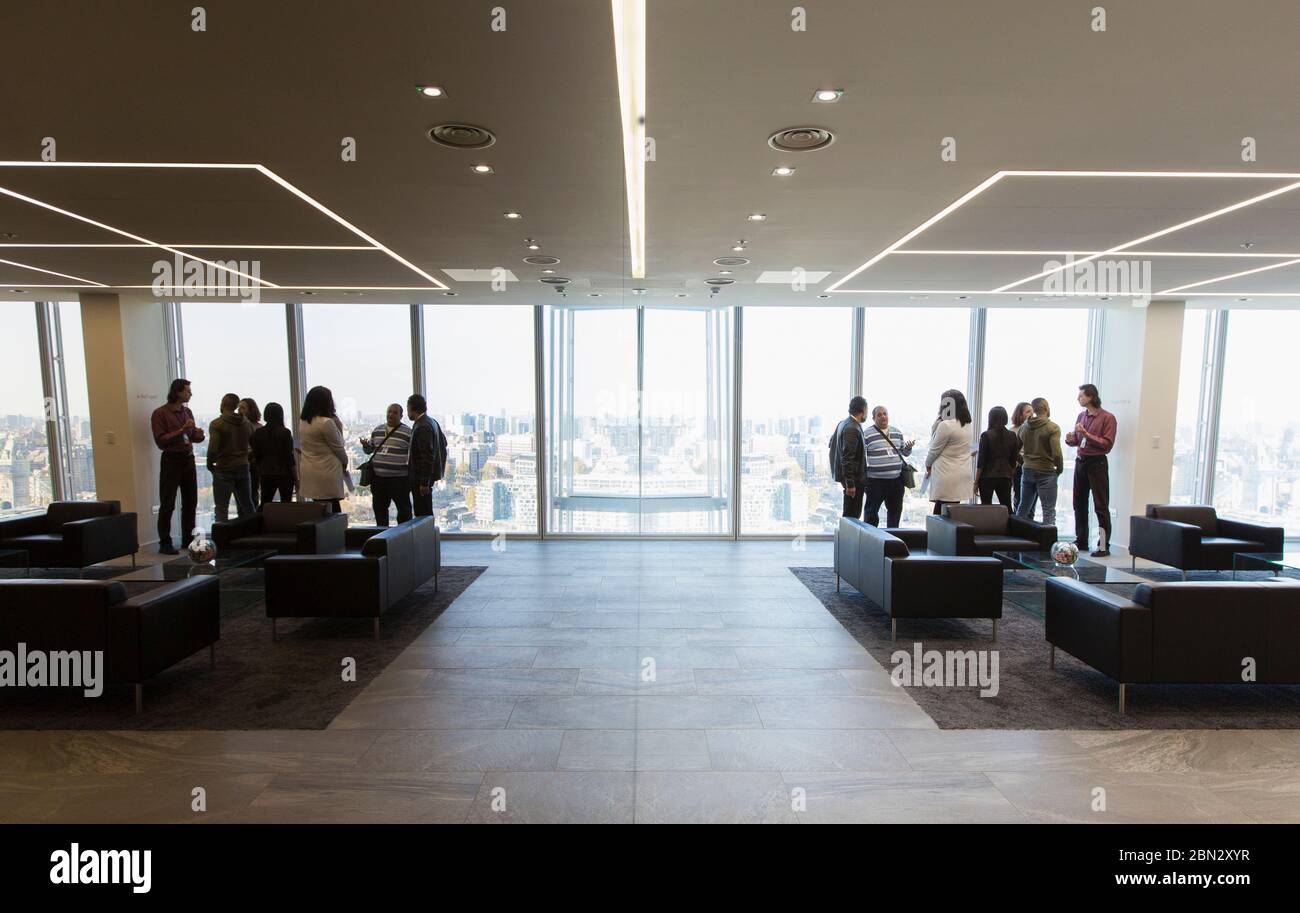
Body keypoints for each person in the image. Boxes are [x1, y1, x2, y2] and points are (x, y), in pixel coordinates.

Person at [150, 378, 204, 554]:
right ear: (178, 392)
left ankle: (188, 540)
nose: (190, 394)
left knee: (190, 502)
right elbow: (161, 440)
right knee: (168, 502)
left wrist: (198, 434)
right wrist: (182, 430)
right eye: (187, 391)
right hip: (171, 460)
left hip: (188, 459)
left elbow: (193, 437)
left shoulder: (187, 412)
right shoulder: (160, 413)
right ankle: (165, 542)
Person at [1065, 382, 1117, 556]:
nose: (1078, 398)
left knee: (1100, 506)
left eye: (1081, 396)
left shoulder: (1107, 418)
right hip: (1081, 461)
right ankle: (1081, 540)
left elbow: (1107, 444)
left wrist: (1087, 435)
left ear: (1091, 397)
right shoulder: (1081, 416)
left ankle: (1103, 546)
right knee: (1078, 503)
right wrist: (1071, 439)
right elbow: (1078, 441)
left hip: (1097, 464)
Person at [861, 404, 914, 528]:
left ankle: (892, 542)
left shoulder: (897, 432)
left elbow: (904, 453)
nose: (883, 416)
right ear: (873, 418)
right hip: (875, 482)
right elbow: (862, 457)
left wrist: (908, 448)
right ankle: (870, 540)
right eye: (879, 415)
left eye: (885, 413)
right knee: (871, 514)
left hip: (896, 482)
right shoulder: (867, 434)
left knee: (895, 514)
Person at [298, 386, 349, 513]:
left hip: (309, 470)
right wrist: (345, 462)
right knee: (333, 509)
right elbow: (338, 447)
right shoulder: (326, 422)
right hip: (327, 470)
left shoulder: (303, 421)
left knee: (318, 509)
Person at [361, 403, 413, 526]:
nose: (391, 414)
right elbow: (370, 451)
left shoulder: (407, 433)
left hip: (399, 480)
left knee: (404, 510)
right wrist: (365, 446)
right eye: (389, 412)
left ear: (401, 416)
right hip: (379, 479)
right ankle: (383, 537)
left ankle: (403, 536)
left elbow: (413, 455)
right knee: (380, 510)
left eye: (395, 412)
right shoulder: (377, 430)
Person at [206, 393, 255, 522]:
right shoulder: (247, 424)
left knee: (222, 508)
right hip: (243, 465)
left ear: (223, 404)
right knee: (247, 505)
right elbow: (254, 445)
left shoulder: (217, 424)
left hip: (224, 467)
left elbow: (213, 448)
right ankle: (254, 533)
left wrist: (210, 464)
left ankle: (223, 539)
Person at [924, 389, 974, 514]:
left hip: (947, 474)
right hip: (962, 473)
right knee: (952, 513)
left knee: (941, 514)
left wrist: (928, 465)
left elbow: (934, 450)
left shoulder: (946, 425)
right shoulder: (967, 424)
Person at [1016, 397, 1063, 525]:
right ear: (1046, 407)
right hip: (1046, 471)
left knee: (1023, 508)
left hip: (1027, 470)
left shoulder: (1024, 427)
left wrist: (1024, 462)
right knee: (1048, 511)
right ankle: (1048, 543)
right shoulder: (1052, 428)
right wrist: (1059, 468)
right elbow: (1057, 453)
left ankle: (1017, 539)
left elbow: (1014, 450)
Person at [406, 393, 447, 518]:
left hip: (421, 479)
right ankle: (427, 535)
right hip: (427, 477)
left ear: (412, 408)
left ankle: (425, 537)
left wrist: (424, 482)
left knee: (422, 513)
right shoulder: (432, 422)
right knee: (425, 511)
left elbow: (427, 456)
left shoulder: (422, 426)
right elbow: (443, 443)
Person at [831, 396, 869, 520]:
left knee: (850, 515)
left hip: (850, 479)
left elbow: (832, 443)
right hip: (854, 480)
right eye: (867, 410)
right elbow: (847, 458)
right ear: (863, 410)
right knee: (852, 517)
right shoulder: (852, 428)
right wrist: (850, 484)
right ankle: (847, 539)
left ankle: (846, 538)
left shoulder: (843, 423)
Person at [974, 405, 1021, 507]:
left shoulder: (986, 435)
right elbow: (1013, 460)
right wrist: (1010, 476)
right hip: (1005, 476)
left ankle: (989, 523)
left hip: (987, 476)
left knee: (986, 507)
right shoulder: (1012, 435)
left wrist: (976, 482)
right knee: (1007, 506)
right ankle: (1009, 523)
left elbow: (981, 461)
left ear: (991, 418)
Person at [251, 402, 296, 504]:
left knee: (265, 503)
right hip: (284, 473)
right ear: (280, 415)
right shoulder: (285, 432)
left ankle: (264, 520)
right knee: (286, 504)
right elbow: (289, 457)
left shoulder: (259, 433)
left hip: (266, 472)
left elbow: (256, 455)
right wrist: (296, 478)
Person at [238, 398, 263, 509]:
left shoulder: (259, 428)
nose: (239, 410)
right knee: (240, 496)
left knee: (253, 493)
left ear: (251, 410)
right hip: (240, 462)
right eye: (239, 407)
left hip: (253, 463)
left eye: (243, 408)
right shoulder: (237, 426)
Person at [1009, 401, 1033, 515]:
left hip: (1033, 466)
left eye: (1032, 411)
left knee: (1032, 502)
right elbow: (1011, 452)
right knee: (1019, 499)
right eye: (1028, 411)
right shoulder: (1013, 431)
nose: (1031, 414)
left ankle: (1030, 528)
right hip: (1019, 468)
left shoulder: (1034, 429)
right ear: (1020, 414)